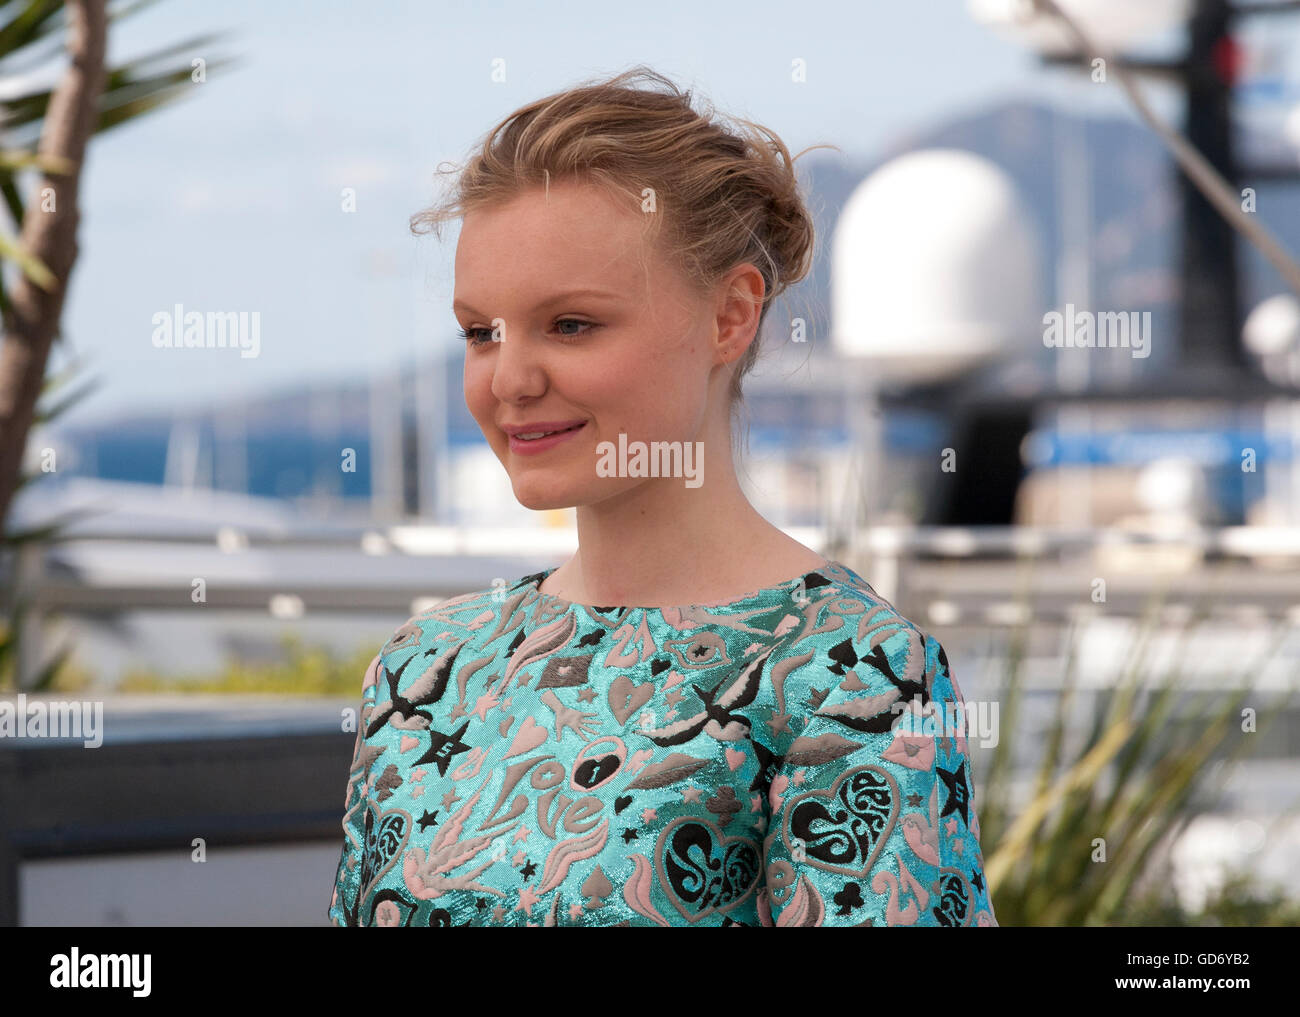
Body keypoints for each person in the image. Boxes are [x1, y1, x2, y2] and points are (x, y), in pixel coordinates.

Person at [328, 66, 997, 927]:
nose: (512, 379)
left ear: (730, 316)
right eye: (480, 333)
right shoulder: (425, 669)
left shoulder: (850, 676)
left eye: (571, 324)